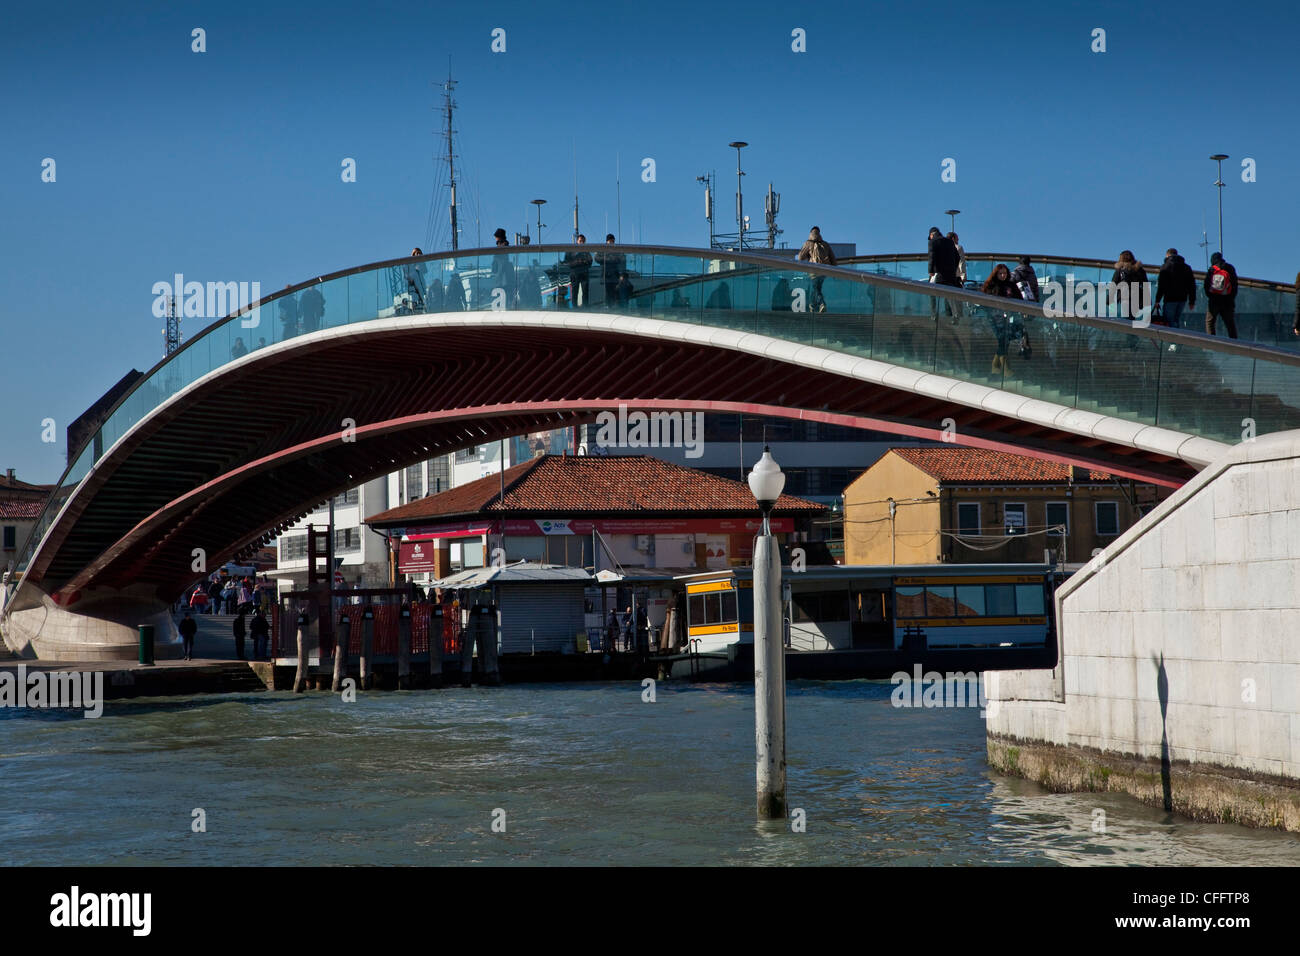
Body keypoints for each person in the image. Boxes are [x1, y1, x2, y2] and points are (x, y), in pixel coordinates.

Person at [983, 263, 1022, 374]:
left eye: (1005, 273)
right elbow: (985, 300)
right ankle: (1005, 368)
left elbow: (1019, 299)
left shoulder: (1011, 285)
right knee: (1002, 340)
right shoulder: (990, 285)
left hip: (1009, 318)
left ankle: (995, 365)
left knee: (1005, 341)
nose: (1003, 275)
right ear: (996, 274)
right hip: (995, 318)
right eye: (1000, 273)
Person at [797, 226, 837, 312]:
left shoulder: (808, 243)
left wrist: (806, 259)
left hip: (813, 270)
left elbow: (800, 257)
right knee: (816, 287)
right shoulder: (825, 244)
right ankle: (812, 305)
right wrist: (835, 273)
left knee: (815, 288)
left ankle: (821, 303)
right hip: (824, 270)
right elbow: (833, 259)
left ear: (811, 234)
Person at [1155, 248, 1196, 329]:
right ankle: (1176, 339)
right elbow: (1192, 285)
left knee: (1169, 321)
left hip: (1170, 298)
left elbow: (1161, 286)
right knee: (1176, 320)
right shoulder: (1187, 267)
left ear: (1167, 255)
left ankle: (1172, 341)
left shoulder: (1165, 266)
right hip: (1182, 298)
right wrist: (1192, 301)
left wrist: (1157, 300)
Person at [1204, 252, 1239, 338]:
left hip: (1214, 300)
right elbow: (1234, 284)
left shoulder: (1212, 269)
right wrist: (1231, 297)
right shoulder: (1230, 268)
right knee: (1230, 323)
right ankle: (1234, 343)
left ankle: (1211, 341)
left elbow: (1206, 285)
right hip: (1228, 301)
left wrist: (1211, 296)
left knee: (1210, 321)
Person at [1109, 250, 1148, 321]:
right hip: (1137, 297)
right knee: (1132, 317)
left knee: (1127, 319)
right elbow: (1145, 285)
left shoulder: (1120, 270)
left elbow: (1113, 285)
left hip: (1125, 296)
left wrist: (1109, 298)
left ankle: (1128, 331)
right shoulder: (1140, 270)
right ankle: (1131, 330)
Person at [563, 234, 593, 308]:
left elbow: (590, 261)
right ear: (577, 241)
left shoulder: (586, 251)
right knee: (574, 291)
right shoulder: (571, 250)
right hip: (575, 274)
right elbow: (567, 262)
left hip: (584, 273)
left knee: (585, 291)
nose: (582, 242)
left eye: (583, 241)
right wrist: (577, 262)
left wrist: (583, 261)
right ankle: (574, 307)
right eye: (580, 241)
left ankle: (585, 307)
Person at [598, 234, 625, 307]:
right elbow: (597, 258)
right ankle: (608, 306)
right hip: (606, 274)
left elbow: (622, 260)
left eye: (613, 241)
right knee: (607, 291)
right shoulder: (602, 249)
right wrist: (607, 259)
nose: (612, 243)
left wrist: (622, 274)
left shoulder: (617, 250)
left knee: (615, 291)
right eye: (610, 241)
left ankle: (613, 306)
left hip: (615, 275)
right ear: (607, 241)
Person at [404, 248, 428, 313]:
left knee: (421, 299)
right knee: (415, 300)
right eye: (417, 253)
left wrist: (420, 265)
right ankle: (415, 310)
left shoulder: (421, 262)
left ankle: (422, 309)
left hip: (421, 284)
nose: (418, 255)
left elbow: (425, 271)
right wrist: (414, 270)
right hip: (413, 286)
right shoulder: (409, 263)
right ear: (413, 254)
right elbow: (406, 275)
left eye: (420, 253)